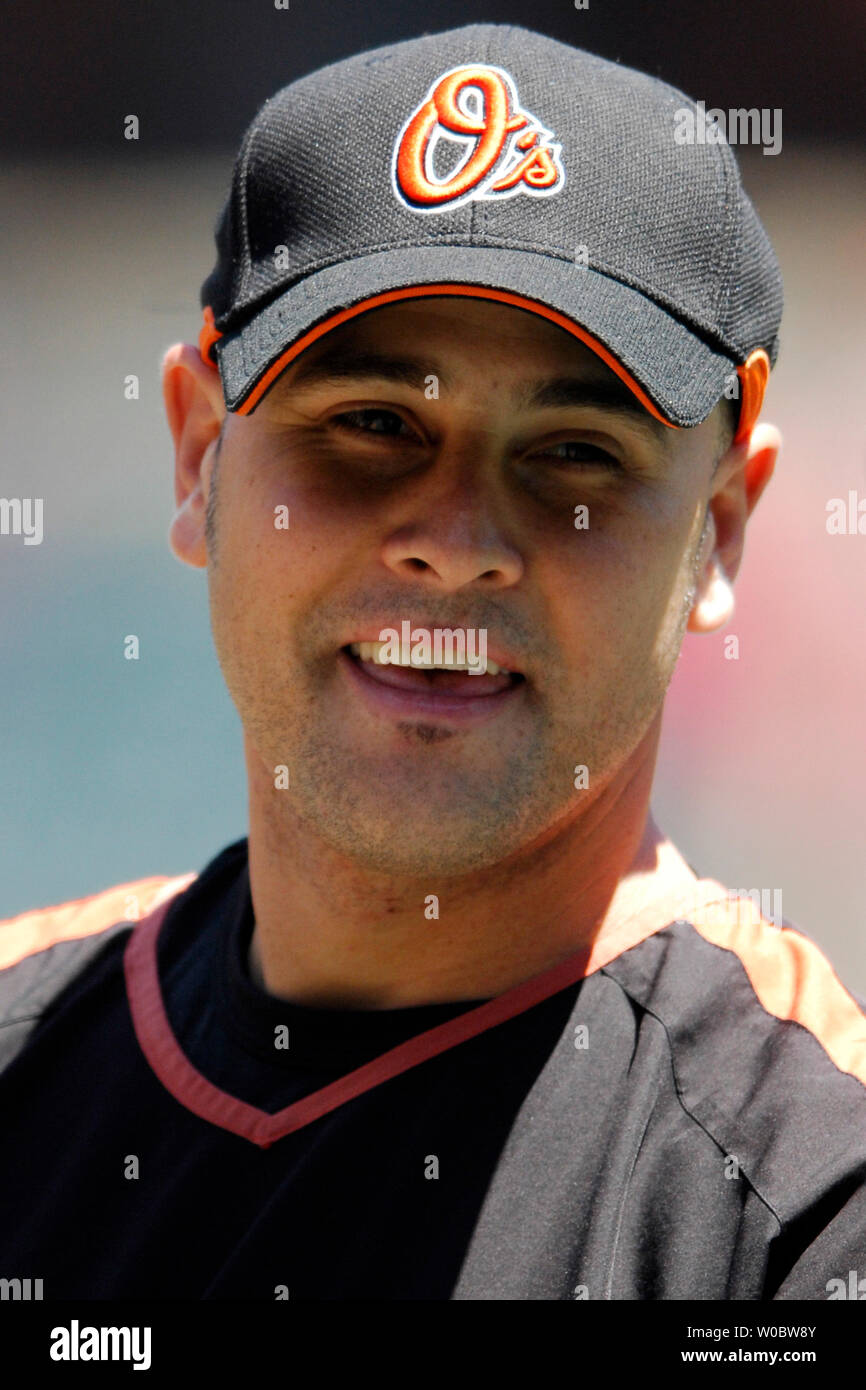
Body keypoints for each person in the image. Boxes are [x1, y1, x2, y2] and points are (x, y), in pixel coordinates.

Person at [1, 22, 864, 1302]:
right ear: (198, 459)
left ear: (717, 529)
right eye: (370, 423)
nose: (456, 546)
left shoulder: (802, 1207)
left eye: (573, 452)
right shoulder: (24, 1057)